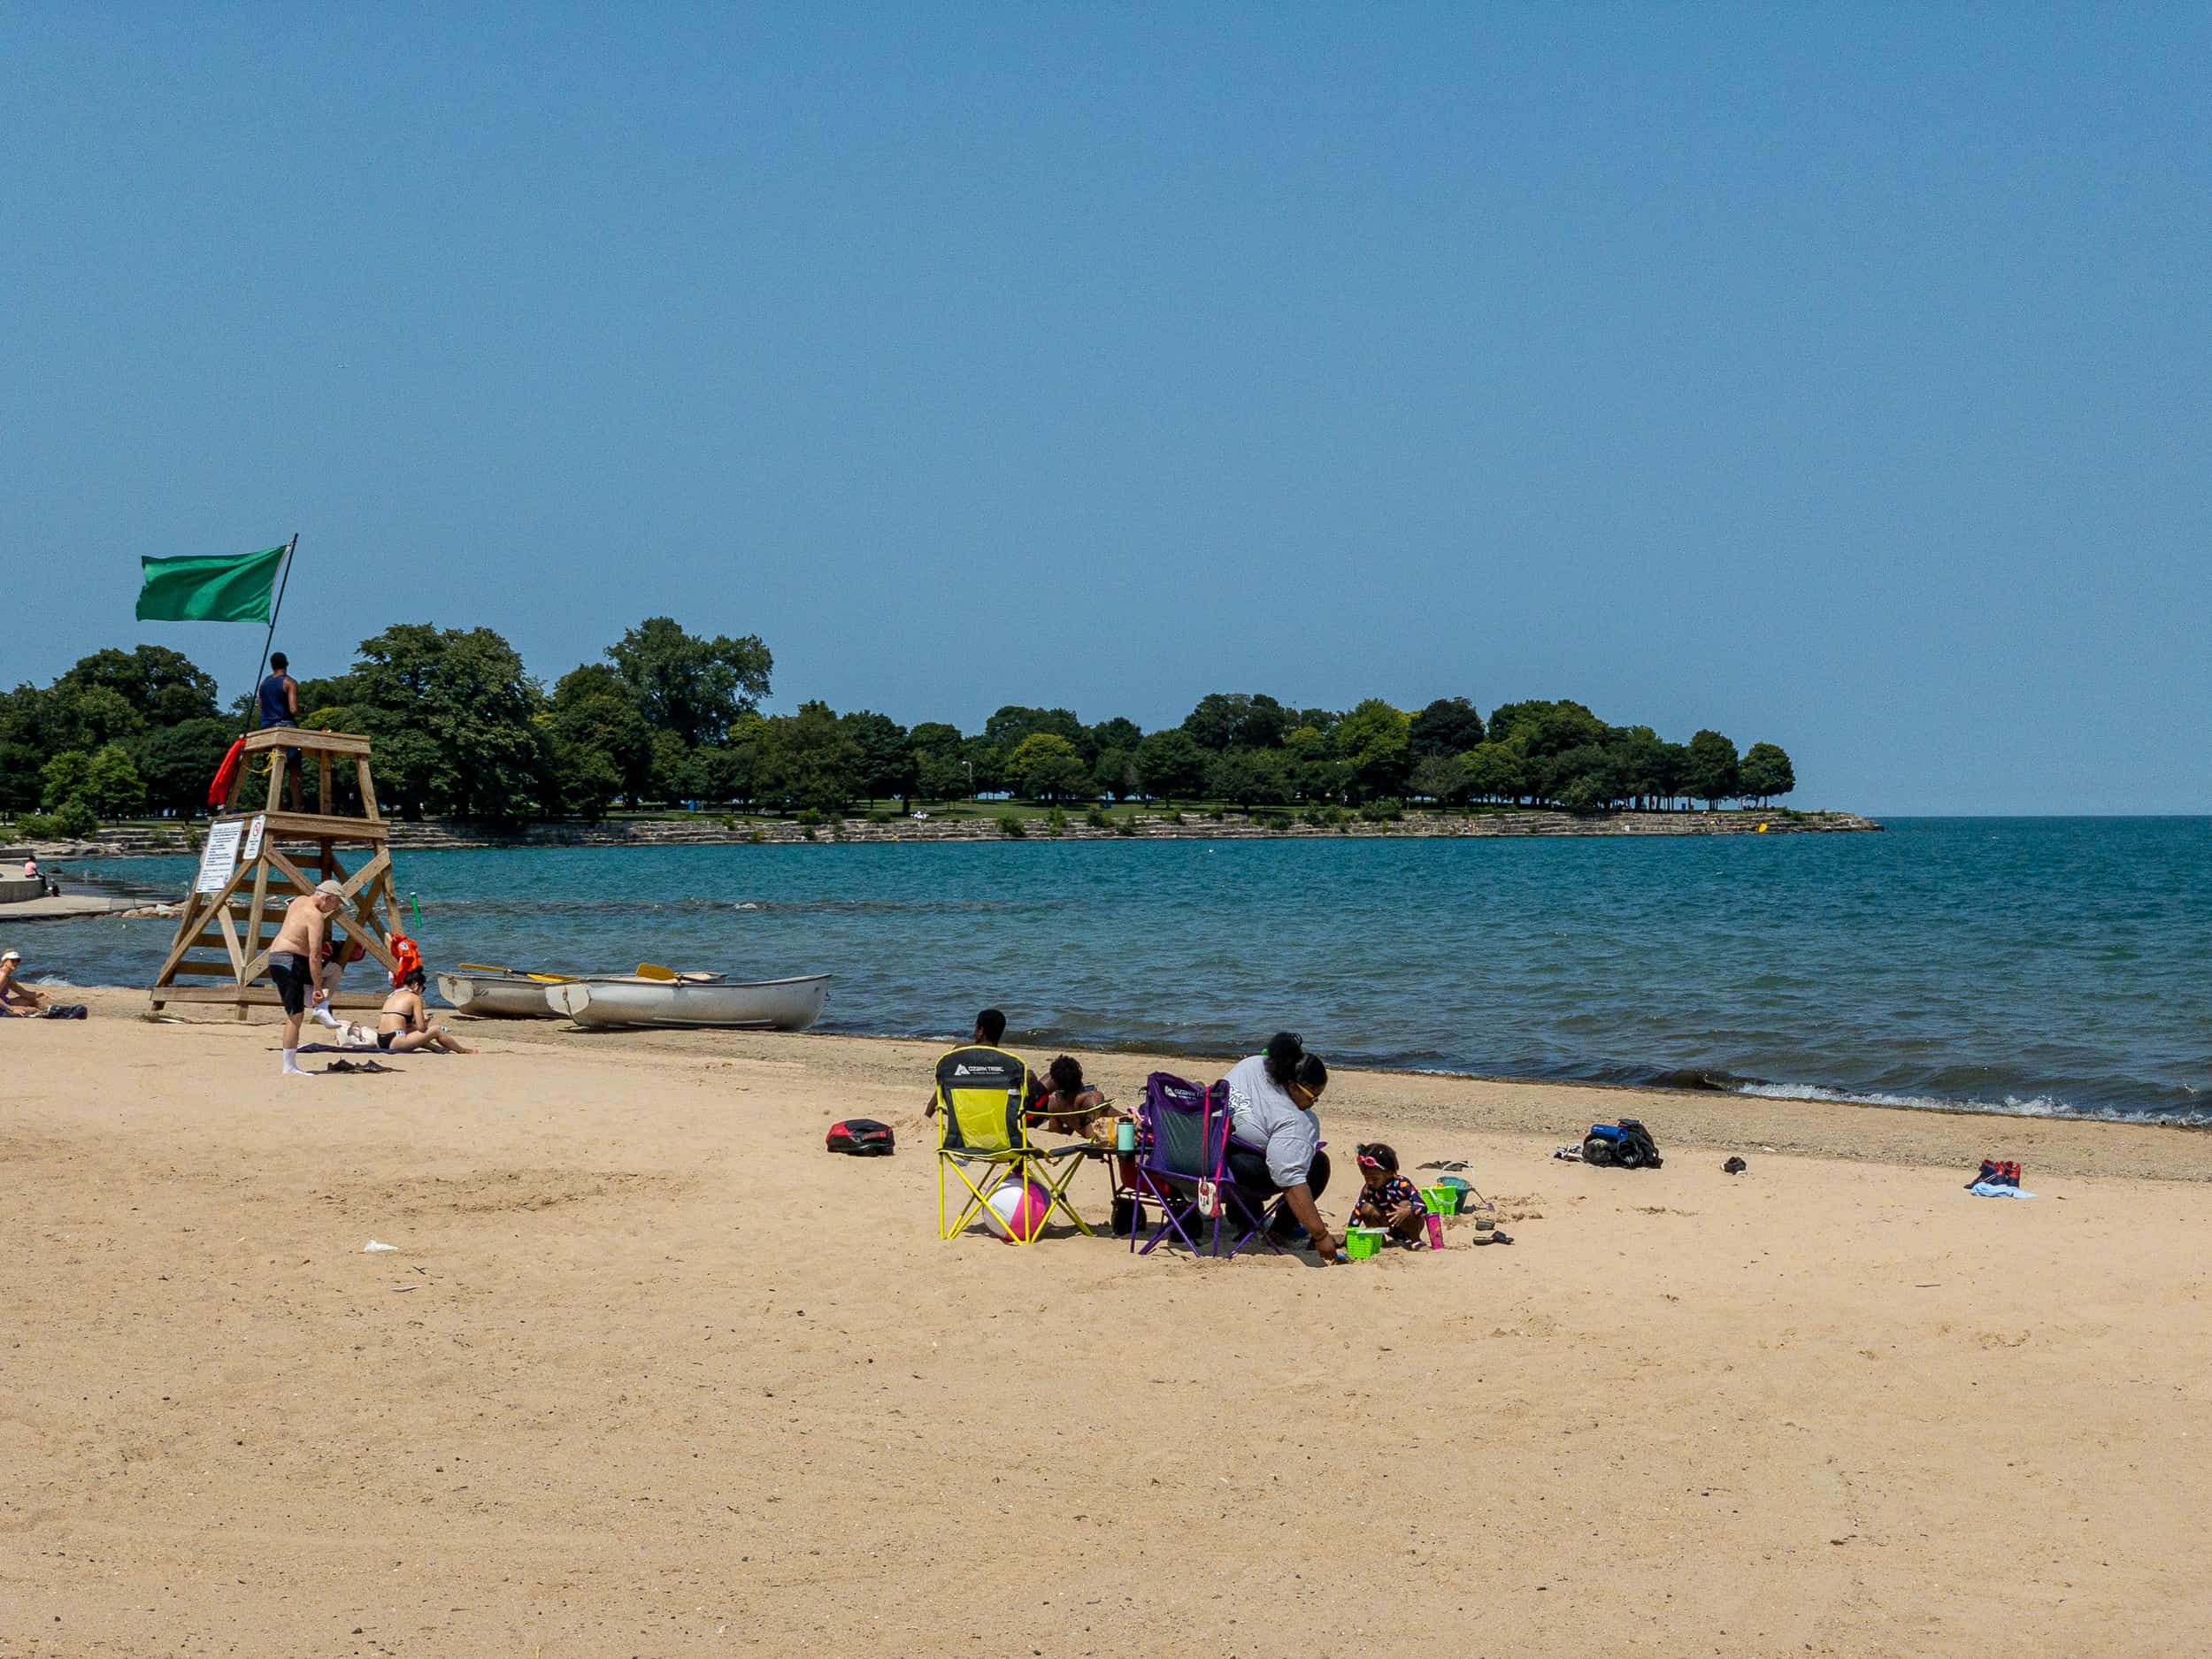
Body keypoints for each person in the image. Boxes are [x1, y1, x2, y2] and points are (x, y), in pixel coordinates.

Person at [1223, 1032, 1339, 1262]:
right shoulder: (1293, 1118)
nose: (1313, 1104)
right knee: (1318, 1164)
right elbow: (1289, 1177)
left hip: (1210, 1159)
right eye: (1312, 1096)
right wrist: (1321, 1235)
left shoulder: (1250, 1064)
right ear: (1292, 1085)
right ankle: (1280, 1231)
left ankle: (1245, 1218)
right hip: (1237, 1174)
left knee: (1259, 1145)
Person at [267, 879, 343, 1075]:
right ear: (327, 898)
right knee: (295, 1015)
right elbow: (315, 955)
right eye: (336, 903)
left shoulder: (299, 900)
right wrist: (318, 987)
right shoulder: (316, 916)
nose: (337, 907)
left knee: (334, 970)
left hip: (281, 959)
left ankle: (321, 1008)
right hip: (288, 961)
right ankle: (289, 1066)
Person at [376, 968, 475, 1054]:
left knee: (413, 1031)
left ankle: (436, 1048)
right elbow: (421, 1028)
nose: (422, 991)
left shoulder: (392, 995)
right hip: (396, 1041)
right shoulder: (414, 998)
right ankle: (463, 1050)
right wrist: (426, 1021)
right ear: (415, 984)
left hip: (381, 1040)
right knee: (437, 1030)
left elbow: (401, 1023)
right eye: (422, 988)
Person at [1028, 1055, 1122, 1143]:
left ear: (1056, 1083)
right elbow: (1097, 1133)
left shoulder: (1054, 1103)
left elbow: (1055, 1131)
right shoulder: (1091, 1098)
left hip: (1094, 1132)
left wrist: (1072, 1123)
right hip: (1124, 1131)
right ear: (1080, 1073)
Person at [1347, 1143, 1425, 1245]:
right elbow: (1358, 1211)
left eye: (1375, 1178)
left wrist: (1407, 1211)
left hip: (1411, 1224)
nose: (1370, 1182)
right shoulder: (1369, 1188)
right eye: (1366, 1178)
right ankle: (1379, 1241)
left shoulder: (1402, 1184)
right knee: (1366, 1208)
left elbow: (1422, 1206)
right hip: (1388, 1226)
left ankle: (1416, 1241)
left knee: (1405, 1204)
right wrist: (1350, 1234)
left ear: (1389, 1173)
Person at [257, 650, 304, 812]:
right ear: (287, 664)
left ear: (272, 665)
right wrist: (301, 710)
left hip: (267, 729)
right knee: (294, 770)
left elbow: (261, 708)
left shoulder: (264, 684)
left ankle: (278, 806)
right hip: (286, 727)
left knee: (275, 768)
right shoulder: (289, 682)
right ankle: (298, 807)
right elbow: (293, 709)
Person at [1, 948, 49, 1015]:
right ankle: (47, 1013)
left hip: (5, 1002)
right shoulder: (2, 975)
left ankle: (49, 1011)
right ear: (4, 961)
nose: (15, 963)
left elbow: (25, 993)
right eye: (12, 960)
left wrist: (41, 993)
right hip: (3, 1007)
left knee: (32, 1001)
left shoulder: (7, 977)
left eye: (18, 960)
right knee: (34, 1010)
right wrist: (12, 1009)